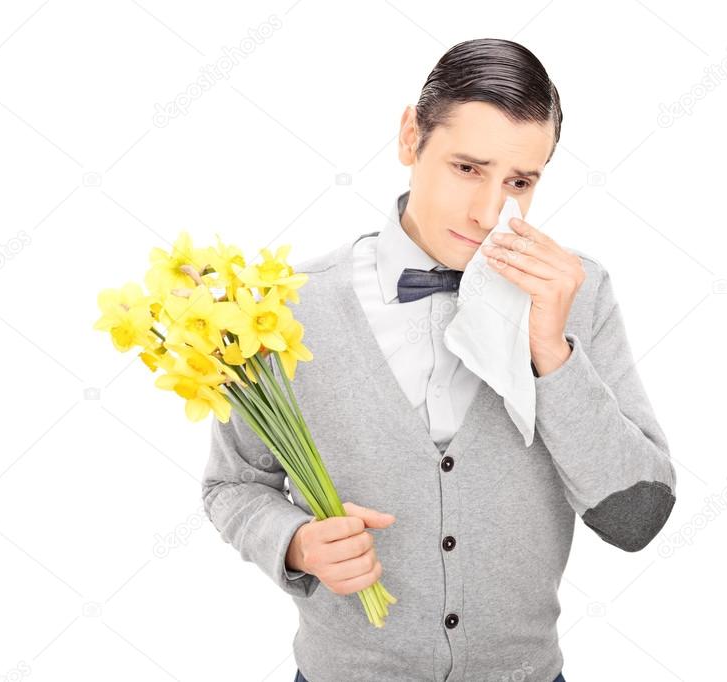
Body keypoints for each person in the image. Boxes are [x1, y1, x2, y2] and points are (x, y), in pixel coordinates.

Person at [202, 37, 676, 682]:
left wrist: (552, 354)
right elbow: (232, 486)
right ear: (409, 138)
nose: (488, 213)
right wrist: (294, 543)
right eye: (467, 168)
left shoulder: (578, 294)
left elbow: (636, 519)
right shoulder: (286, 306)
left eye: (519, 182)